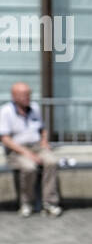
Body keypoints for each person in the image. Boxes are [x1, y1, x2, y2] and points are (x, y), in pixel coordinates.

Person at [0, 82, 62, 217]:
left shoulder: (34, 108)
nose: (28, 97)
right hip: (17, 151)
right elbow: (5, 139)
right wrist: (26, 153)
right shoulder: (6, 111)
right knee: (29, 167)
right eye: (24, 95)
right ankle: (26, 203)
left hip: (37, 146)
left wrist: (45, 141)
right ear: (14, 96)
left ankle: (49, 203)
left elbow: (42, 129)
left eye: (29, 94)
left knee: (51, 162)